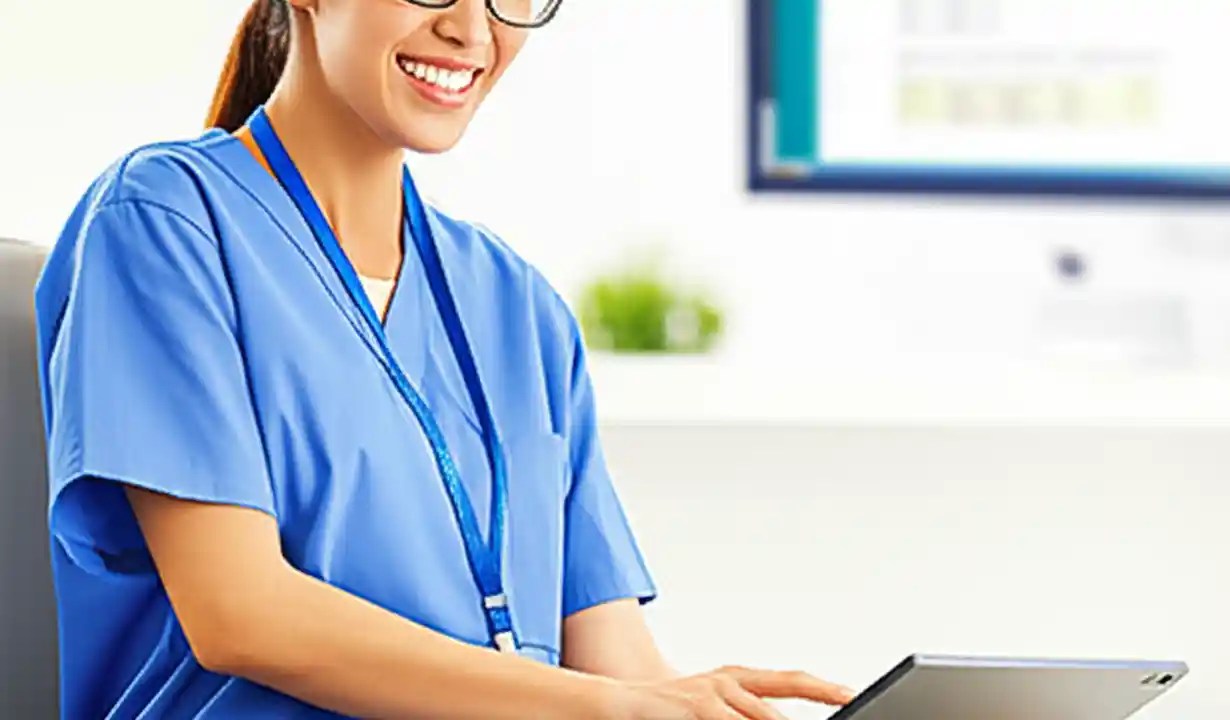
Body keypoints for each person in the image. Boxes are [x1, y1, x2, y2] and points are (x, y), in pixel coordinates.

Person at [33, 1, 856, 717]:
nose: (471, 28)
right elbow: (241, 614)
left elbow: (621, 666)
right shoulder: (165, 221)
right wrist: (609, 706)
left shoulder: (519, 307)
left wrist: (702, 708)